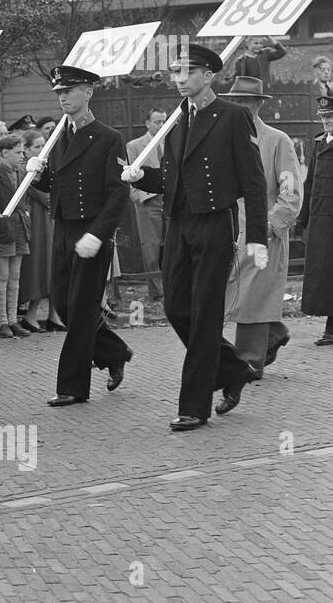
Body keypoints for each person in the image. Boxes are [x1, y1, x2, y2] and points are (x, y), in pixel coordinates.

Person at [122, 43, 269, 431]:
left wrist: (256, 236)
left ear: (209, 76)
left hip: (215, 224)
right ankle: (233, 369)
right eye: (175, 72)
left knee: (205, 316)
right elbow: (174, 178)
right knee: (176, 309)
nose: (180, 79)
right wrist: (144, 177)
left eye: (188, 72)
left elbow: (254, 182)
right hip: (180, 224)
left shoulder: (233, 116)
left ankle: (194, 406)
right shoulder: (175, 120)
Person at [27, 65, 134, 407]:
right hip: (63, 226)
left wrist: (100, 235)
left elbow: (118, 193)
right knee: (63, 303)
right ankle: (114, 351)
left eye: (69, 91)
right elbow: (55, 184)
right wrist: (37, 175)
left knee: (81, 307)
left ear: (88, 92)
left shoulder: (108, 137)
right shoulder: (59, 135)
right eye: (59, 93)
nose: (63, 98)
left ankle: (72, 386)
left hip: (91, 231)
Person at [220, 77, 302, 381]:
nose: (240, 107)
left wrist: (270, 223)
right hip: (228, 229)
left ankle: (250, 359)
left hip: (263, 230)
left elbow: (291, 191)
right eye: (235, 101)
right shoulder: (224, 138)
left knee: (254, 294)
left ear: (258, 104)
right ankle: (274, 331)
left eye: (246, 101)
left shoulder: (277, 140)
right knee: (234, 292)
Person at [299, 94, 333, 345]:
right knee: (325, 275)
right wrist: (302, 218)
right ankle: (332, 327)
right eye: (323, 117)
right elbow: (310, 182)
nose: (326, 121)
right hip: (322, 220)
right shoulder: (320, 143)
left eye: (331, 116)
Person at [0, 134, 31, 338]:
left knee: (15, 277)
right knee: (2, 277)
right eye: (18, 152)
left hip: (20, 229)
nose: (22, 155)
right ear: (5, 153)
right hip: (1, 230)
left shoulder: (23, 173)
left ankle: (13, 320)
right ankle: (2, 321)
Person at [126, 107, 168, 302]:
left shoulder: (173, 141)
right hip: (148, 201)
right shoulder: (134, 145)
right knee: (150, 248)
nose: (161, 125)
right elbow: (128, 174)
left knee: (171, 246)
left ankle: (172, 288)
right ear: (147, 123)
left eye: (164, 121)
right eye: (157, 121)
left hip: (170, 200)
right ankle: (156, 292)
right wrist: (137, 196)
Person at [19, 128, 55, 333]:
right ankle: (31, 316)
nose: (42, 150)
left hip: (48, 221)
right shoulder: (29, 169)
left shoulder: (46, 167)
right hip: (37, 223)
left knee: (50, 266)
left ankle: (53, 314)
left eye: (43, 145)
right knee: (39, 267)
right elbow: (46, 197)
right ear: (26, 149)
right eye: (37, 147)